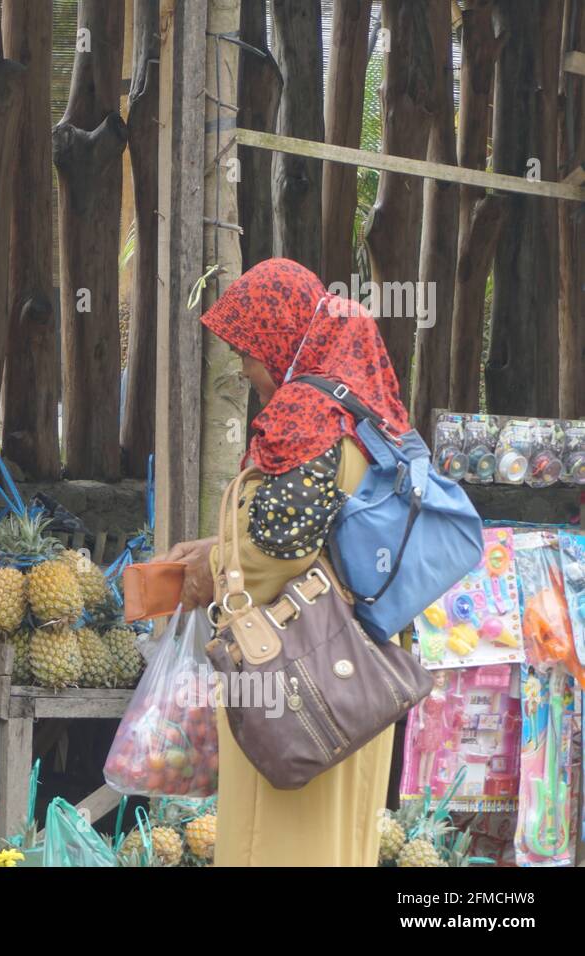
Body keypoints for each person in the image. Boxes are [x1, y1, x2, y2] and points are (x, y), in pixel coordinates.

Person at [149, 257, 412, 866]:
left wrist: (205, 574)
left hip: (301, 682)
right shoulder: (362, 410)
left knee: (284, 843)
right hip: (358, 675)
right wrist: (217, 548)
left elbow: (277, 551)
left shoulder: (308, 418)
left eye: (248, 350)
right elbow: (320, 535)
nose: (244, 368)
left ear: (281, 339)